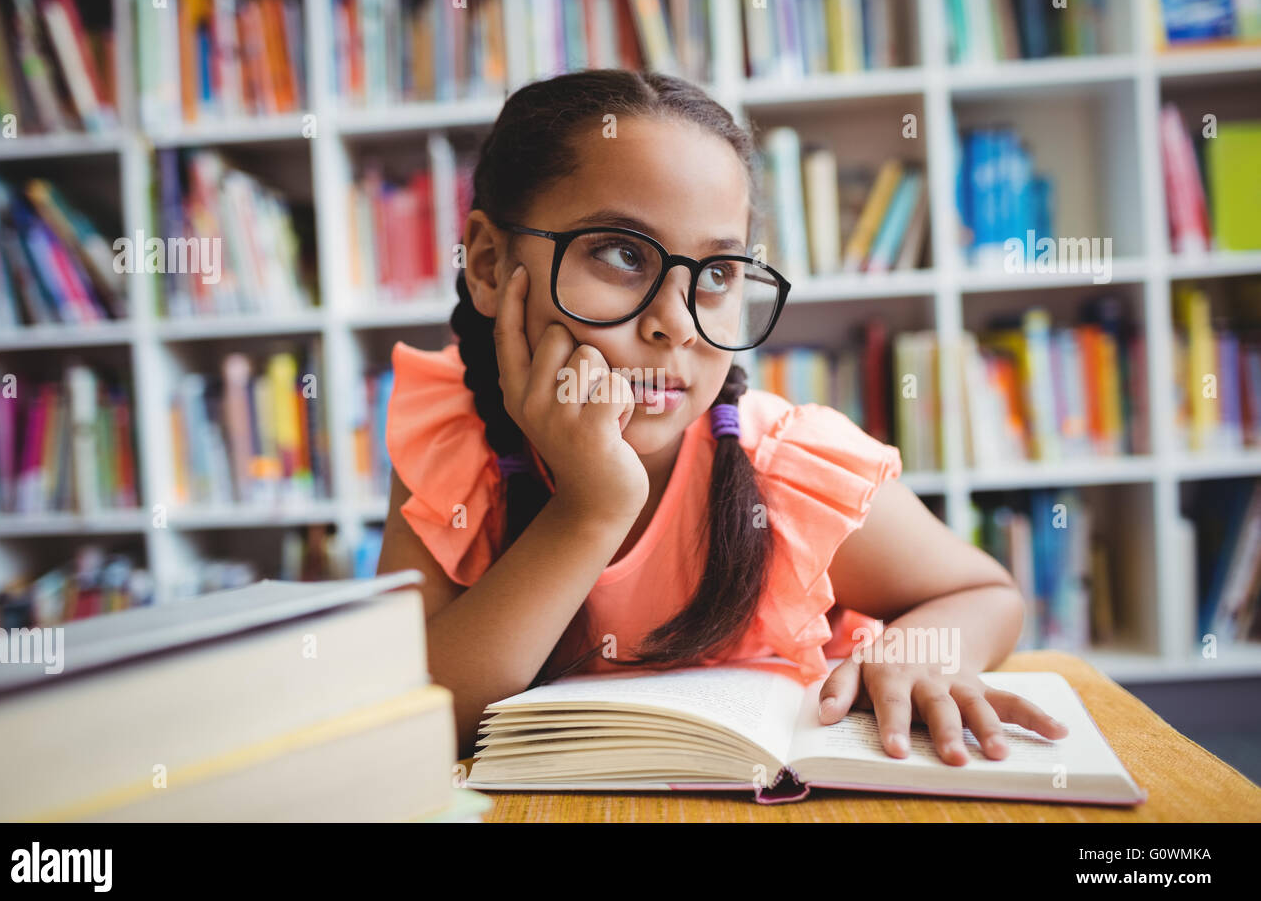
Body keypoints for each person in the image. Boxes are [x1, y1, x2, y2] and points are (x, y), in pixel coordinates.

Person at [376, 68, 1068, 763]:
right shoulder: (452, 439)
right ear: (491, 264)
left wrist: (918, 653)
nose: (675, 325)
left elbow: (986, 593)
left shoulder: (786, 472)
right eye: (620, 254)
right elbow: (413, 719)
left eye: (715, 274)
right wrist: (591, 509)